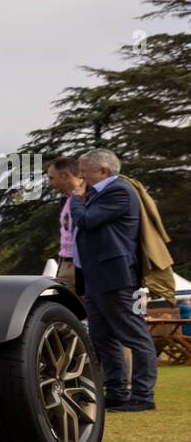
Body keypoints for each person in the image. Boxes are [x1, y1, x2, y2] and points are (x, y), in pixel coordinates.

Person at [71, 148, 158, 412]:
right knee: (102, 337)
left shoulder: (118, 192)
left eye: (85, 172)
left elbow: (85, 221)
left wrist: (76, 199)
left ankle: (143, 396)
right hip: (99, 278)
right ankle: (118, 392)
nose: (81, 178)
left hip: (116, 278)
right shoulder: (103, 193)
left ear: (104, 171)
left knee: (134, 336)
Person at [45, 156, 85, 295]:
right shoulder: (65, 199)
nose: (50, 183)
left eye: (52, 178)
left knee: (90, 310)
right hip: (65, 264)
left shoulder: (90, 196)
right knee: (61, 311)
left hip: (84, 265)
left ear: (66, 175)